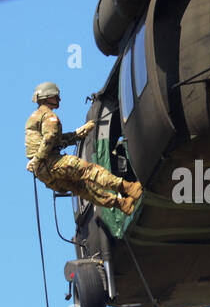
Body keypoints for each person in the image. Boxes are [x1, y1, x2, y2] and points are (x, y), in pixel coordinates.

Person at [24, 82, 142, 214]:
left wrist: (79, 133)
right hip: (49, 161)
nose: (59, 99)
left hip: (44, 172)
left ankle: (122, 204)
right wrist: (38, 159)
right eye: (56, 96)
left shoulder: (36, 117)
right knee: (90, 171)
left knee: (84, 188)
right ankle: (129, 188)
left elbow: (56, 141)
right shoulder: (48, 116)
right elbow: (50, 137)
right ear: (47, 98)